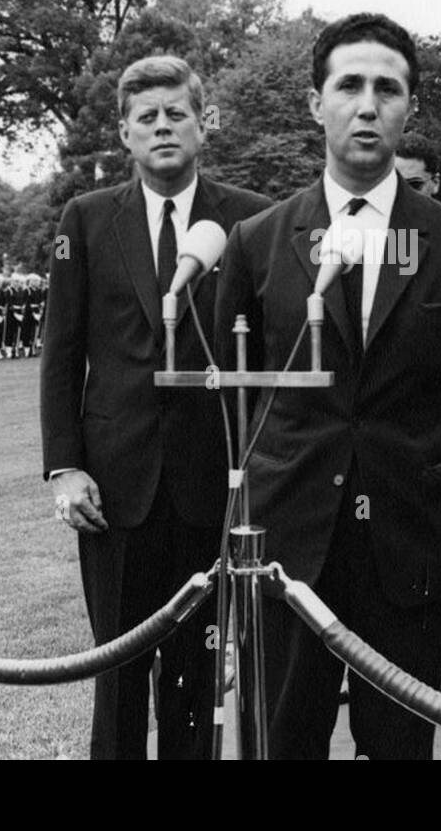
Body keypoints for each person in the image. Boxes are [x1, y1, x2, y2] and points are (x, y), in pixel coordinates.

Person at [215, 12, 441, 760]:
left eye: (388, 88)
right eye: (349, 85)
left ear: (410, 107)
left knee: (401, 742)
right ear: (317, 103)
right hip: (290, 540)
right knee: (285, 739)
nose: (367, 104)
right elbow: (239, 384)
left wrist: (411, 452)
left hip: (412, 536)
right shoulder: (258, 242)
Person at [41, 54, 271, 760]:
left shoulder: (252, 219)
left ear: (204, 125)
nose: (164, 127)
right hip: (115, 486)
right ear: (125, 133)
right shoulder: (84, 219)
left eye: (178, 113)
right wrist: (64, 468)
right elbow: (61, 351)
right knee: (117, 670)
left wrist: (262, 471)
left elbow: (266, 354)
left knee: (198, 675)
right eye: (148, 117)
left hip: (214, 482)